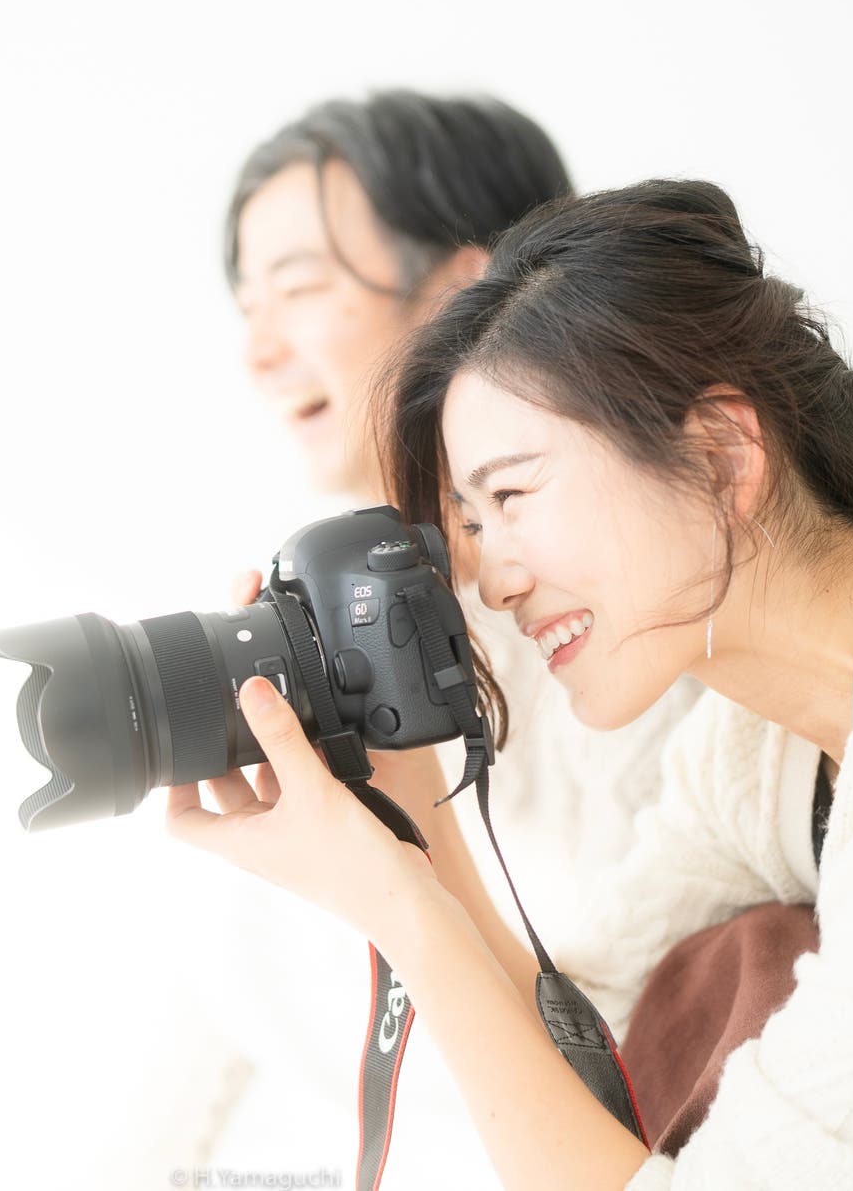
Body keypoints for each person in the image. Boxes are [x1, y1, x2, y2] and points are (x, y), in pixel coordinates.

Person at [169, 178, 853, 1186]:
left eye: (512, 495)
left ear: (719, 455)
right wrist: (412, 827)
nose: (485, 578)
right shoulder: (762, 746)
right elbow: (596, 1047)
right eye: (470, 527)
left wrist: (399, 908)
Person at [162, 94, 706, 1184]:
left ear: (468, 293)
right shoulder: (292, 628)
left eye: (302, 288)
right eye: (245, 305)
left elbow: (640, 1071)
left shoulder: (632, 648)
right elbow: (213, 1036)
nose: (258, 350)